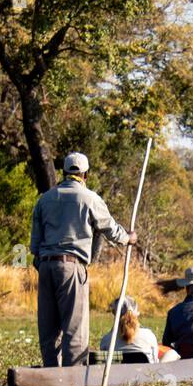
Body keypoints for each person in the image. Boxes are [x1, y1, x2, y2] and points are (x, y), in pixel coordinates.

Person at [30, 152, 137, 368]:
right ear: (85, 174)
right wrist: (128, 238)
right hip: (72, 266)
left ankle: (52, 374)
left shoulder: (45, 199)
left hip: (46, 266)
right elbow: (109, 228)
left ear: (64, 172)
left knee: (48, 328)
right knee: (75, 328)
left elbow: (34, 244)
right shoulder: (89, 198)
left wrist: (41, 264)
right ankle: (73, 379)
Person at [99, 296, 176, 364]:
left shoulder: (107, 340)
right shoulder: (148, 335)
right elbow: (154, 362)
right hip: (145, 378)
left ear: (114, 313)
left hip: (118, 378)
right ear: (137, 313)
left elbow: (104, 364)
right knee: (173, 353)